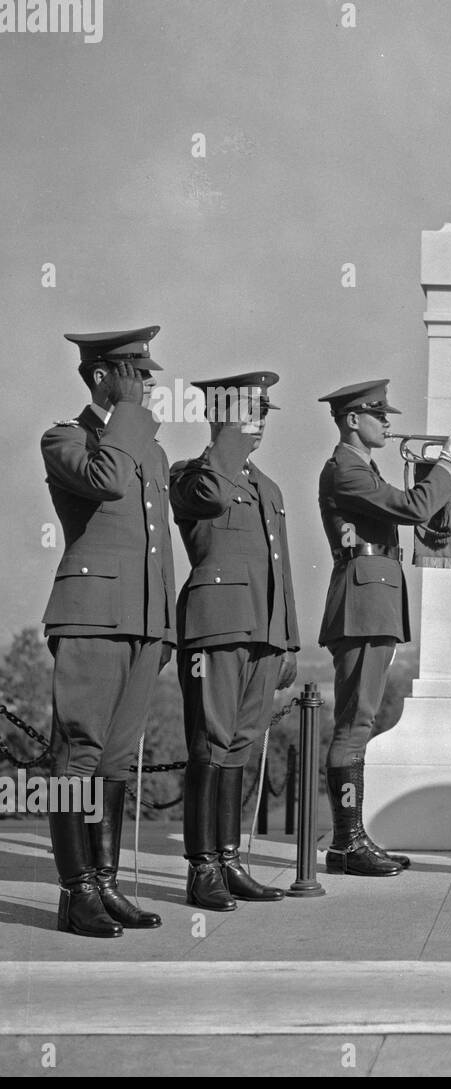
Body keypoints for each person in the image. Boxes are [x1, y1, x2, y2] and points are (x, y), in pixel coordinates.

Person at [41, 326, 176, 937]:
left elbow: (159, 545)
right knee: (79, 756)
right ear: (101, 376)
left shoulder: (145, 445)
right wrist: (125, 413)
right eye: (135, 373)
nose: (148, 382)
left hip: (144, 620)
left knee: (117, 760)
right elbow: (106, 482)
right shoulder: (67, 437)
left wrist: (165, 625)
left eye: (147, 374)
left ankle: (105, 882)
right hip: (91, 614)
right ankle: (76, 893)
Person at [316, 380, 451, 875]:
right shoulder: (345, 469)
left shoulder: (362, 466)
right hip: (362, 605)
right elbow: (411, 509)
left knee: (360, 721)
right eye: (377, 415)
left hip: (374, 601)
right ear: (351, 421)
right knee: (355, 723)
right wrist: (447, 464)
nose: (387, 423)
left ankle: (353, 838)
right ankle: (347, 843)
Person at [170, 372, 299, 910]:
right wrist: (225, 442)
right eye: (248, 412)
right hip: (216, 627)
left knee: (241, 744)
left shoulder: (267, 487)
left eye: (264, 413)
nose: (260, 423)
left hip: (262, 631)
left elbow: (281, 570)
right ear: (221, 418)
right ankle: (202, 869)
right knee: (211, 742)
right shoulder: (192, 476)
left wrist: (288, 639)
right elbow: (211, 494)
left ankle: (227, 858)